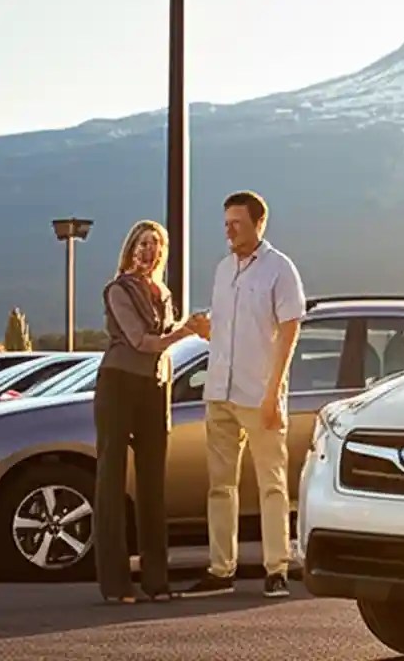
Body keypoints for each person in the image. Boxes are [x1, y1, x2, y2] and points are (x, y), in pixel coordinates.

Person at [179, 191, 305, 599]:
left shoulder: (280, 270)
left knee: (271, 484)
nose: (228, 230)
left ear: (258, 224)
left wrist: (273, 395)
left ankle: (276, 569)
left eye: (236, 223)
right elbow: (229, 331)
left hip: (259, 393)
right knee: (220, 485)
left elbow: (289, 332)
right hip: (220, 392)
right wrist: (205, 330)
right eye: (226, 222)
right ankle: (221, 570)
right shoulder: (222, 270)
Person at [94, 220, 201, 604]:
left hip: (156, 387)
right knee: (110, 478)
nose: (149, 250)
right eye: (143, 242)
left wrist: (188, 327)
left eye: (156, 244)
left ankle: (157, 581)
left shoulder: (163, 292)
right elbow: (140, 340)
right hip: (118, 383)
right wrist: (186, 332)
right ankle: (115, 583)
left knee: (153, 482)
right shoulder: (117, 290)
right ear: (130, 248)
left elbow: (166, 335)